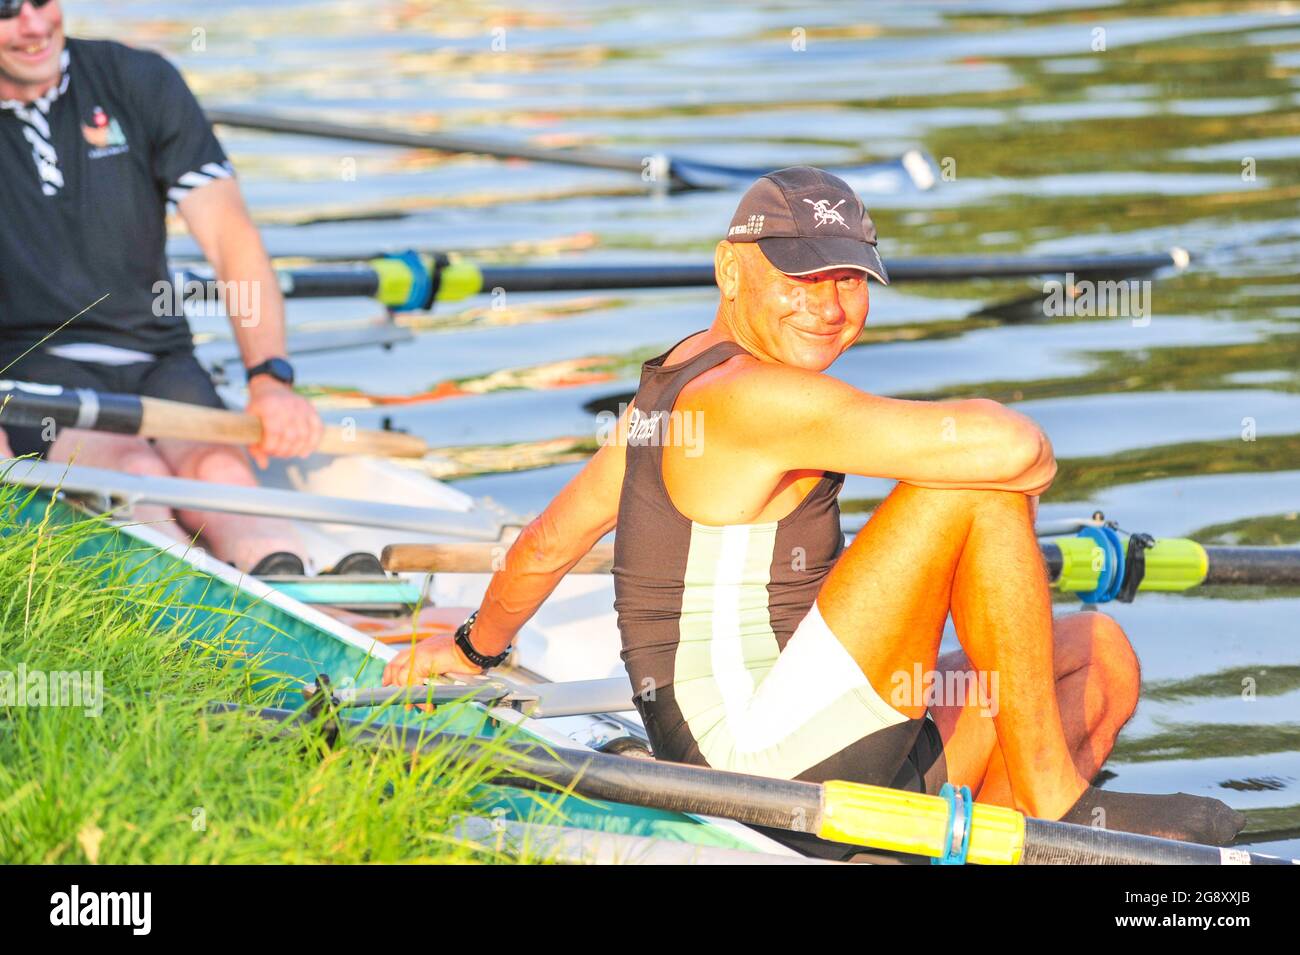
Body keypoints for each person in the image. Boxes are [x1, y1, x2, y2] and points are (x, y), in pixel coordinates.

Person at [383, 167, 1245, 855]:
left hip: (830, 731)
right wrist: (1019, 470)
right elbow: (1012, 446)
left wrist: (468, 650)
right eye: (798, 275)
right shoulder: (750, 399)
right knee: (960, 488)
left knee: (1100, 653)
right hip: (756, 774)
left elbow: (547, 541)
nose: (827, 306)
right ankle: (1057, 807)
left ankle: (975, 839)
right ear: (730, 269)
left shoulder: (668, 391)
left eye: (848, 279)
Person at [0, 0, 322, 574]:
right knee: (135, 471)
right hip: (35, 371)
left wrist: (270, 378)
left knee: (219, 474)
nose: (33, 25)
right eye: (5, 9)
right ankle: (207, 603)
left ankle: (301, 586)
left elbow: (229, 237)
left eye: (41, 0)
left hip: (159, 357)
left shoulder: (139, 79)